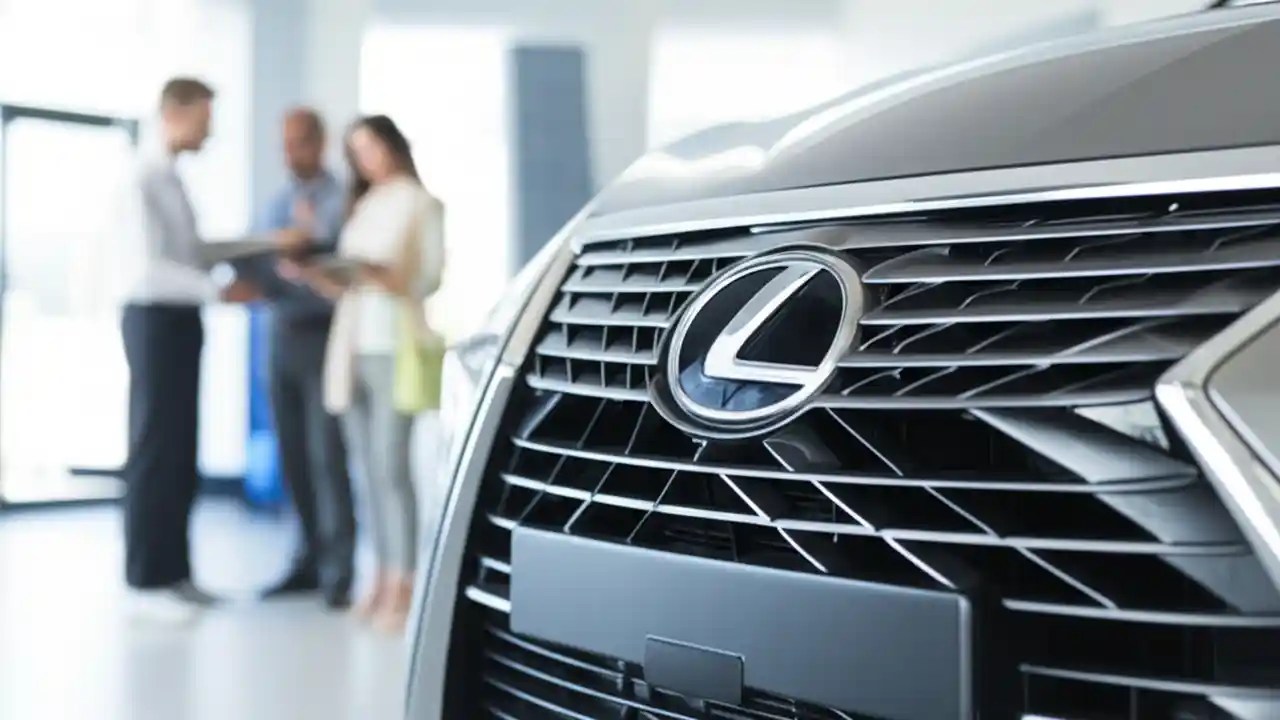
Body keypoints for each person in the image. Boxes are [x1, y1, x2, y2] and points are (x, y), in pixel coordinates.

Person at [116, 78, 299, 619]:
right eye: (203, 120)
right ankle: (146, 583)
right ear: (173, 113)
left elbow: (195, 251)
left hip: (180, 320)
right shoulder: (141, 178)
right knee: (156, 448)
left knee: (179, 449)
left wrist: (268, 242)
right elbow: (147, 269)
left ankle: (175, 573)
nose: (209, 133)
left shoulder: (170, 178)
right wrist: (220, 291)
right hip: (153, 319)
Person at [286, 115, 444, 633]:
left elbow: (429, 279)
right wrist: (316, 274)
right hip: (351, 350)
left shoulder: (421, 204)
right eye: (356, 152)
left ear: (392, 145)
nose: (365, 159)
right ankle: (378, 574)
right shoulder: (364, 205)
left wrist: (383, 275)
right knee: (366, 471)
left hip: (395, 348)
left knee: (392, 468)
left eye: (371, 147)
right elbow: (348, 288)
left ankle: (404, 580)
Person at [241, 108, 356, 609]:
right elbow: (260, 268)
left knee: (326, 457)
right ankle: (305, 559)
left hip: (323, 338)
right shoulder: (276, 204)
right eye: (284, 143)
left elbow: (345, 274)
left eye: (300, 141)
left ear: (320, 141)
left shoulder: (342, 202)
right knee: (293, 456)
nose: (290, 153)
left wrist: (308, 254)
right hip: (279, 338)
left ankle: (338, 570)